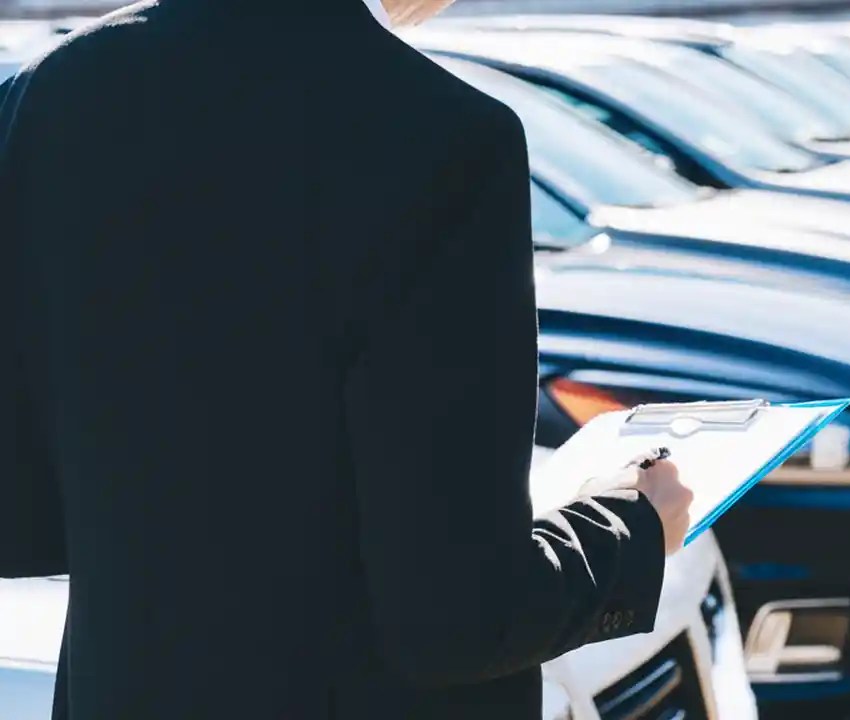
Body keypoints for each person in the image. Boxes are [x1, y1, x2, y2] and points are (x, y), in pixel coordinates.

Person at [0, 0, 694, 717]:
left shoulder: (48, 92)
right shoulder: (441, 136)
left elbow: (20, 516)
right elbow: (458, 618)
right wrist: (631, 530)